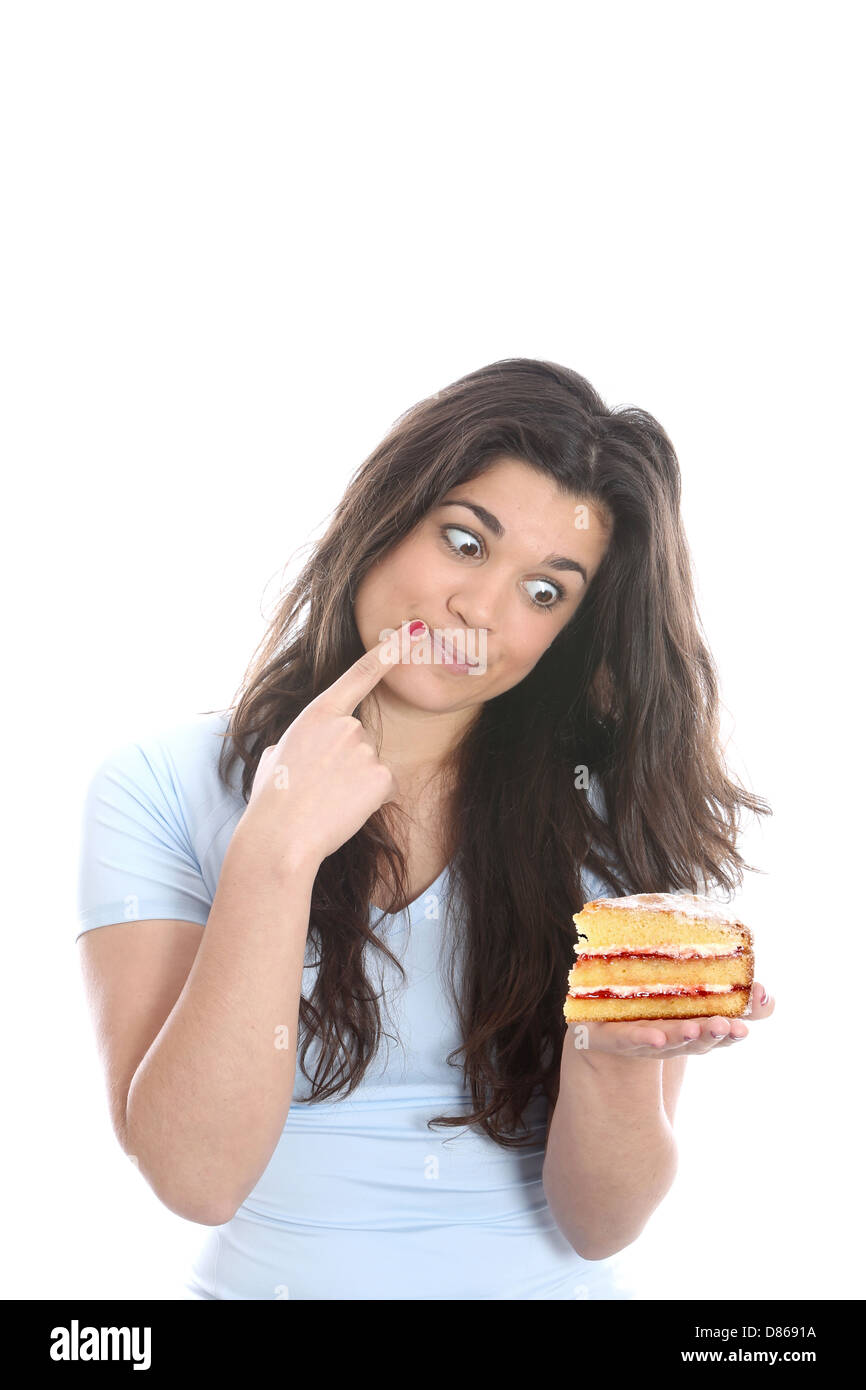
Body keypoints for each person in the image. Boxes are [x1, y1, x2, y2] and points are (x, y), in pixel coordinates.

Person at [75, 357, 775, 1300]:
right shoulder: (158, 785)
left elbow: (600, 1226)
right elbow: (195, 1179)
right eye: (465, 542)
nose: (478, 610)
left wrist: (608, 1058)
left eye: (545, 592)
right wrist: (276, 852)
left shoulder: (605, 813)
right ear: (386, 514)